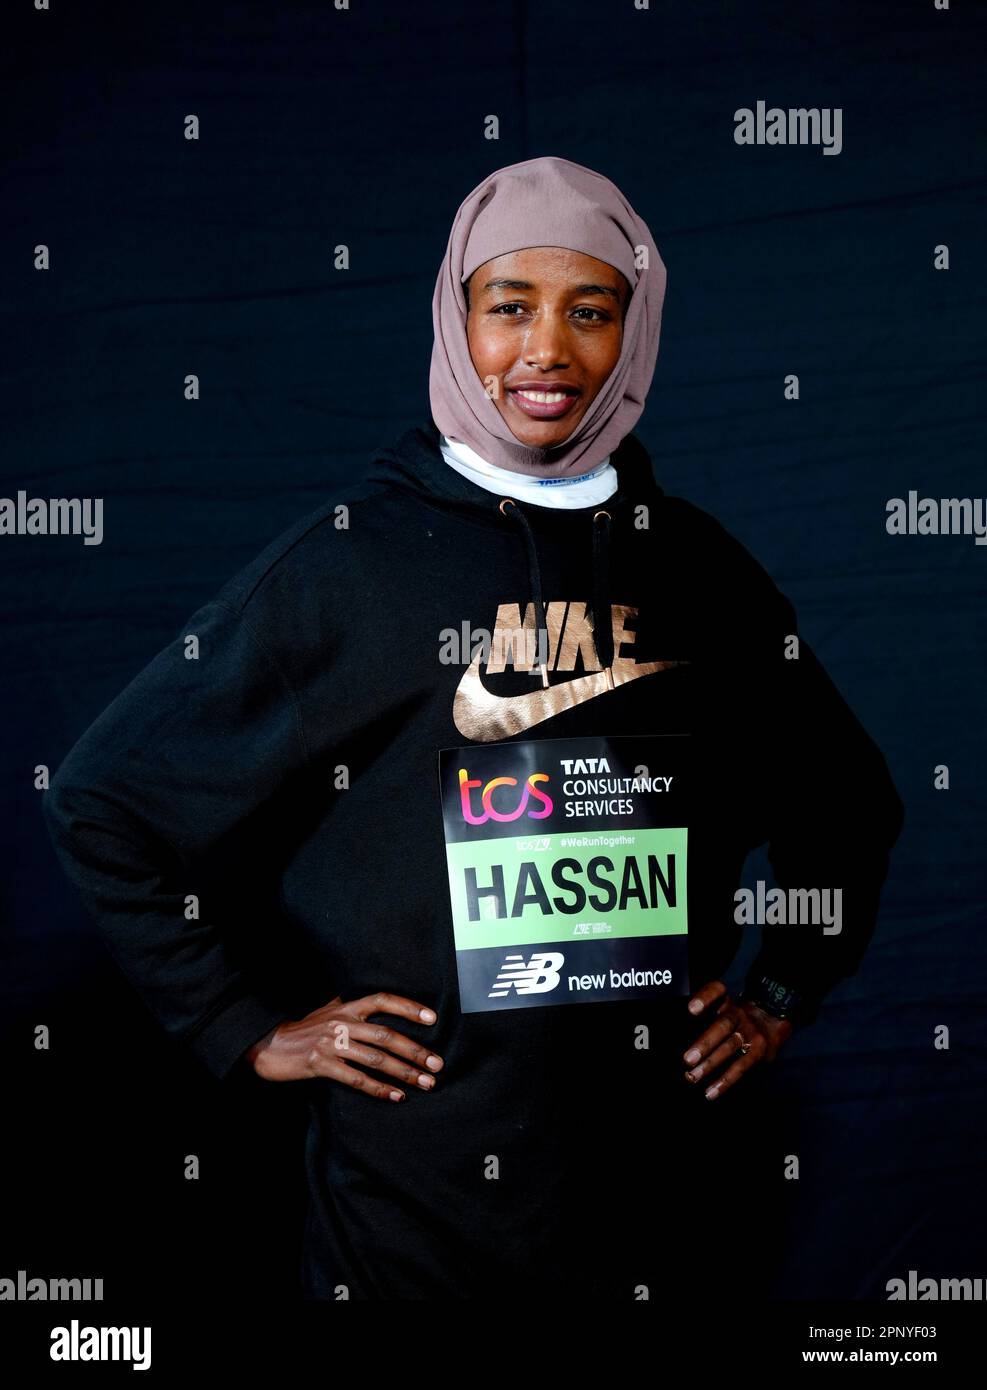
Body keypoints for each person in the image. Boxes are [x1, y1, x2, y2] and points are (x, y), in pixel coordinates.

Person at [43, 156, 905, 1301]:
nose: (548, 348)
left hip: (663, 1214)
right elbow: (102, 798)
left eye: (590, 311)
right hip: (410, 1220)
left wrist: (782, 994)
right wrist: (241, 1026)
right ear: (457, 320)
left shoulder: (702, 573)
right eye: (510, 307)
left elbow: (849, 805)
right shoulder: (349, 565)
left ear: (632, 333)